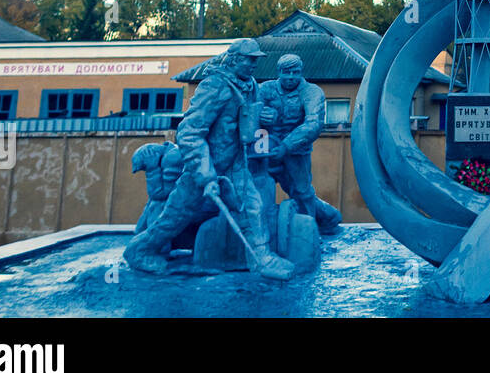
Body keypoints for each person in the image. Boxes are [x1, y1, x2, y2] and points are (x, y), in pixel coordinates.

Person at [123, 38, 294, 280]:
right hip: (204, 167)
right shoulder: (215, 87)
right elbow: (189, 132)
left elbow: (246, 123)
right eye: (249, 59)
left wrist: (265, 117)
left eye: (256, 59)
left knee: (252, 207)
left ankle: (262, 259)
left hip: (235, 163)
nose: (254, 64)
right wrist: (205, 175)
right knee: (176, 216)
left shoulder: (250, 85)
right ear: (234, 59)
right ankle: (139, 250)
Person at [252, 54, 342, 235]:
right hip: (264, 151)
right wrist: (260, 116)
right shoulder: (265, 89)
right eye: (287, 72)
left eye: (296, 72)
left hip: (295, 152)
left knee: (301, 192)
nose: (291, 76)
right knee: (257, 188)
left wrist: (286, 146)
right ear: (279, 72)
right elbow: (247, 112)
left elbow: (313, 124)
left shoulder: (312, 92)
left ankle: (315, 228)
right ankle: (259, 232)